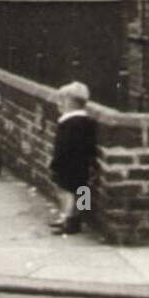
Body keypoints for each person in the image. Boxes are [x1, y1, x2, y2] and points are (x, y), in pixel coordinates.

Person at [48, 81, 98, 235]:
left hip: (68, 163)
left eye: (61, 100)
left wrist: (55, 163)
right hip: (82, 162)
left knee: (66, 191)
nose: (59, 104)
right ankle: (79, 219)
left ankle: (68, 220)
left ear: (70, 102)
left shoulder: (69, 123)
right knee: (82, 189)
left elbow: (63, 146)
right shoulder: (86, 121)